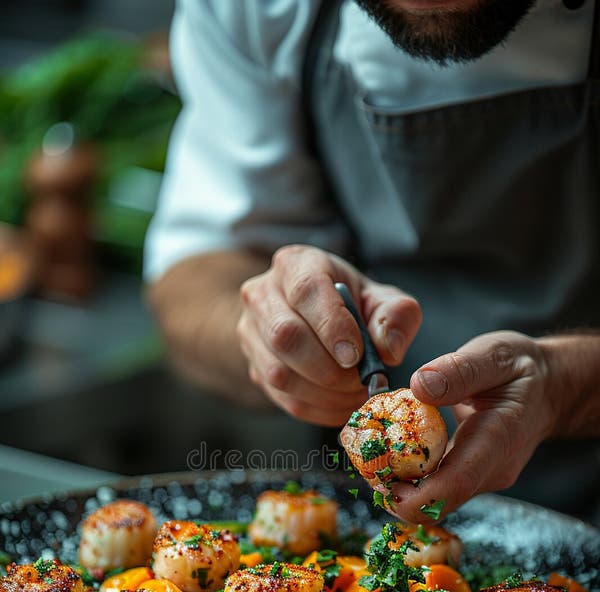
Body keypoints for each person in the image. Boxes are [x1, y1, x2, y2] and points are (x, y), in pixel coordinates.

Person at [145, 0, 600, 523]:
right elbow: (194, 277)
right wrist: (269, 334)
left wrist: (567, 385)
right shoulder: (257, 10)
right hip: (367, 533)